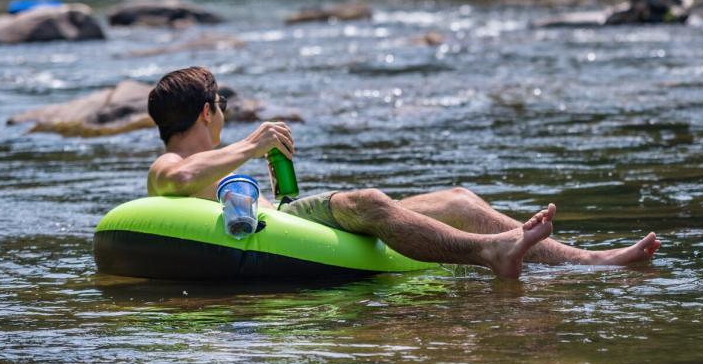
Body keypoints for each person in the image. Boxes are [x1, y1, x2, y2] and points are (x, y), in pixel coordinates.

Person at [146, 67, 660, 279]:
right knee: (368, 199)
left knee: (459, 200)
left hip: (286, 219)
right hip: (278, 227)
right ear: (207, 113)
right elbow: (176, 179)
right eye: (221, 105)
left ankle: (595, 260)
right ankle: (490, 251)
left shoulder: (218, 158)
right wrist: (252, 144)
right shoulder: (169, 163)